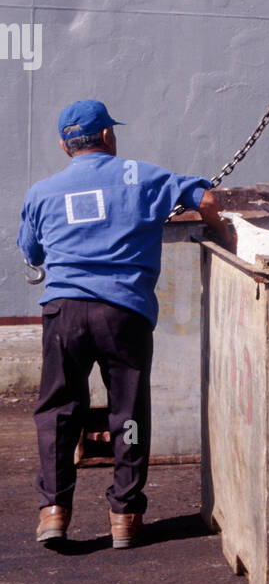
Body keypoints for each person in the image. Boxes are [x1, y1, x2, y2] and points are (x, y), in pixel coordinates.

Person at [18, 100, 231, 549]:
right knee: (128, 411)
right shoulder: (142, 177)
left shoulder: (42, 192)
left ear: (64, 145)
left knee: (58, 411)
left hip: (64, 313)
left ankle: (54, 511)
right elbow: (208, 199)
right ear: (109, 138)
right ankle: (125, 517)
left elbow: (32, 252)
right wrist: (224, 236)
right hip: (124, 314)